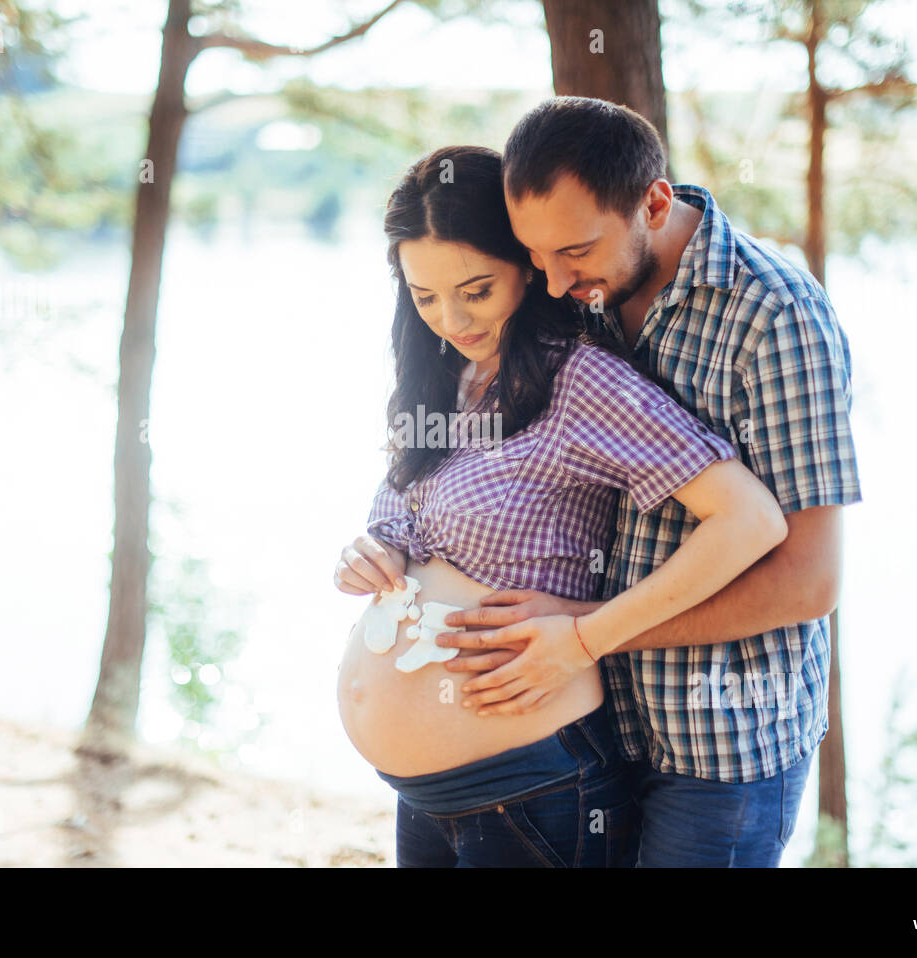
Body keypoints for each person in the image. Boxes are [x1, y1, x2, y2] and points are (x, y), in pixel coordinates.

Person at [435, 97, 864, 867]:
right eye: (537, 255)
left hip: (723, 747)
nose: (557, 282)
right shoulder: (577, 296)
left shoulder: (776, 315)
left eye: (576, 251)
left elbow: (809, 581)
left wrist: (591, 631)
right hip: (595, 725)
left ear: (654, 202)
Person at [333, 145, 789, 867]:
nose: (450, 318)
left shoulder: (579, 381)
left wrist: (586, 638)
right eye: (425, 297)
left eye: (475, 289)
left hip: (533, 784)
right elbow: (415, 515)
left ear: (526, 265)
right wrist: (377, 548)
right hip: (425, 792)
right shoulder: (444, 376)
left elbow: (751, 520)